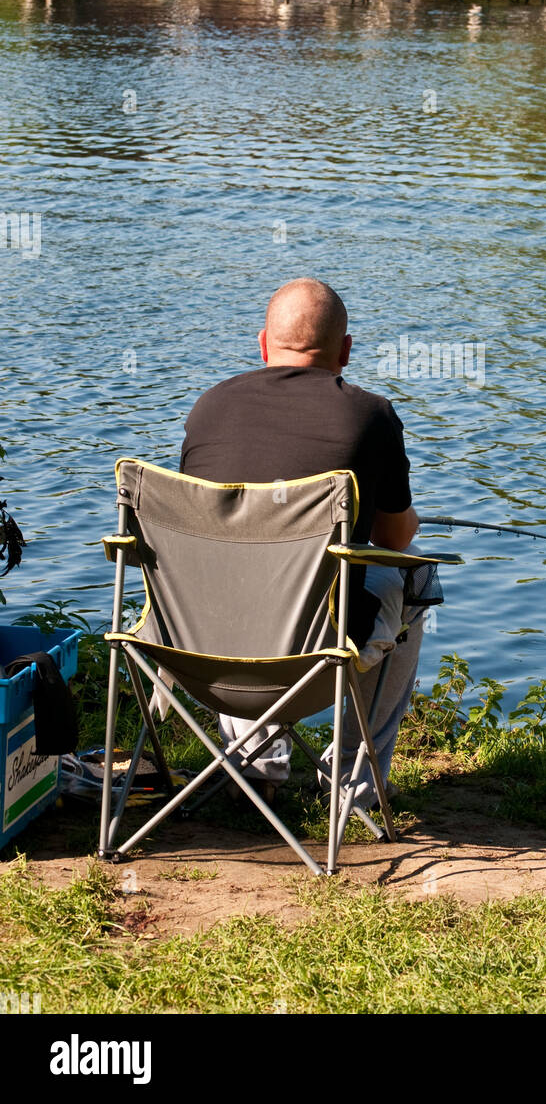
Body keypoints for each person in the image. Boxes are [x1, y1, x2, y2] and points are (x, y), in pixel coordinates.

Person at [179, 278, 424, 806]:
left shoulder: (209, 408)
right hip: (315, 653)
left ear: (263, 343)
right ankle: (354, 787)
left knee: (234, 570)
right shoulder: (370, 415)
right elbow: (395, 539)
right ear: (346, 350)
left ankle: (255, 764)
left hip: (200, 647)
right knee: (418, 576)